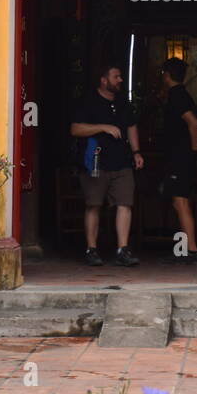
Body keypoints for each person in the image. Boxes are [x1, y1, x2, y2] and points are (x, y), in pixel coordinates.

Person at [69, 64, 142, 267]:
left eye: (120, 76)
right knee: (94, 205)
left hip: (122, 161)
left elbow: (131, 126)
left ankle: (122, 249)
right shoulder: (88, 101)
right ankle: (91, 249)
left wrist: (137, 152)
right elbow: (75, 129)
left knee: (125, 203)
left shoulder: (123, 102)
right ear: (104, 80)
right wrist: (103, 127)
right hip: (95, 162)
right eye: (116, 76)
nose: (120, 80)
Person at [159, 57, 197, 264]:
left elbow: (193, 123)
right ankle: (182, 249)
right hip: (178, 156)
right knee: (178, 202)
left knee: (181, 201)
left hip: (181, 157)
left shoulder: (177, 95)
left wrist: (193, 152)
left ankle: (191, 250)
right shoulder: (176, 95)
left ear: (167, 75)